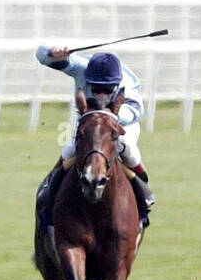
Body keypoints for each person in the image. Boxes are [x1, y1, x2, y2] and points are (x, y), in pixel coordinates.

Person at [34, 47, 154, 230]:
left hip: (119, 128)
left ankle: (144, 189)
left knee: (128, 149)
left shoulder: (128, 84)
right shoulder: (82, 68)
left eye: (107, 90)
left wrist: (107, 116)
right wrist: (52, 52)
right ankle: (49, 189)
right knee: (70, 150)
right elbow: (41, 56)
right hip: (89, 126)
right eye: (95, 88)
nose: (101, 95)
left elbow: (136, 112)